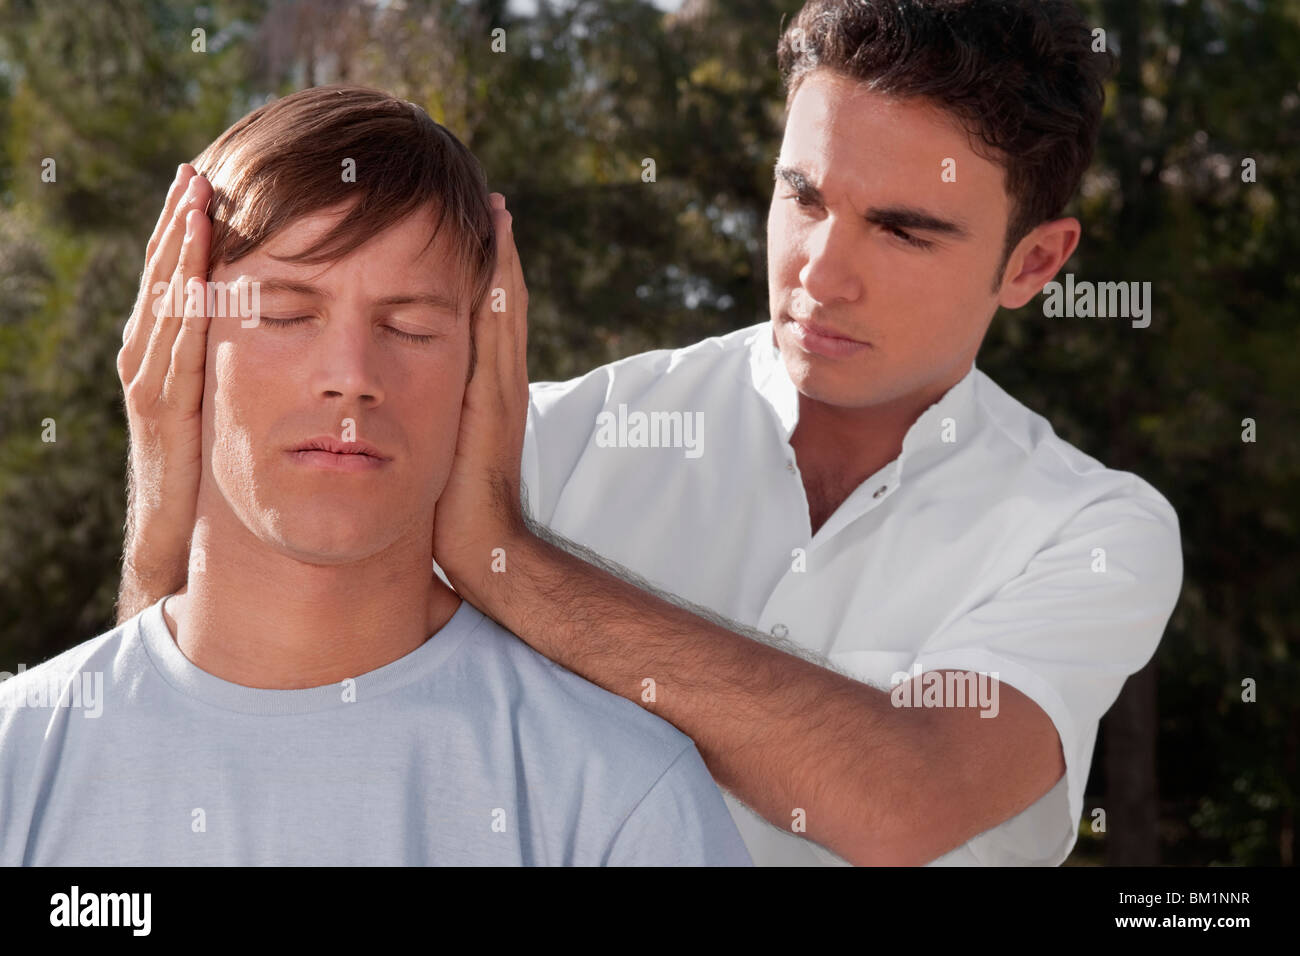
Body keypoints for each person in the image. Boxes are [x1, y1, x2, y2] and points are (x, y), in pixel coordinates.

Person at [116, 0, 1183, 866]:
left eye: (902, 228)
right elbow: (222, 725)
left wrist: (502, 557)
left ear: (1035, 263)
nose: (819, 269)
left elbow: (906, 796)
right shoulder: (557, 433)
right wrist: (169, 477)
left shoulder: (1089, 528)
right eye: (801, 197)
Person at [0, 86, 752, 867]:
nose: (352, 376)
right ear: (175, 340)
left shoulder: (617, 796)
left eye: (410, 326)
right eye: (287, 313)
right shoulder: (18, 767)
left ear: (482, 367)